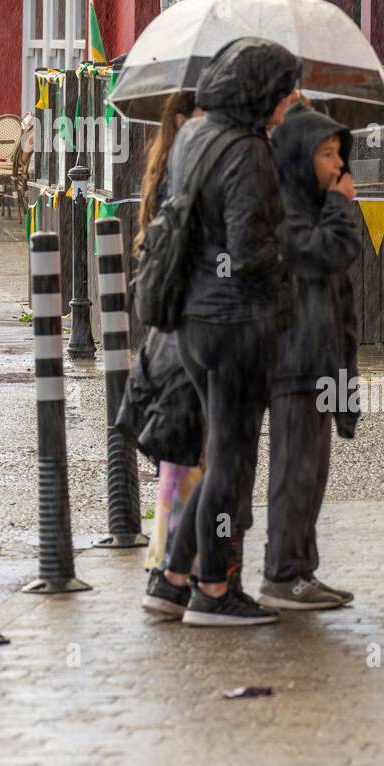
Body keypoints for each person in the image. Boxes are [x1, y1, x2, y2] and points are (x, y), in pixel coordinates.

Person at [141, 38, 301, 628]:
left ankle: (173, 579)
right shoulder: (247, 152)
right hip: (235, 321)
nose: (291, 100)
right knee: (230, 462)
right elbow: (249, 249)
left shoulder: (194, 135)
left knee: (214, 460)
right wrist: (286, 263)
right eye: (285, 90)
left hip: (191, 320)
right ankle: (213, 589)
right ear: (261, 92)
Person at [260, 107, 362, 612]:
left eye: (339, 153)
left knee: (313, 471)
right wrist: (342, 207)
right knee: (294, 469)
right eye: (326, 154)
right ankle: (282, 574)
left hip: (320, 359)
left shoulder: (312, 202)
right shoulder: (286, 207)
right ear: (301, 157)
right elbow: (328, 252)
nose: (337, 165)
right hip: (295, 360)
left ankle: (302, 567)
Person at [131, 90, 206, 607]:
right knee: (184, 450)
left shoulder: (166, 166)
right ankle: (172, 563)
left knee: (181, 451)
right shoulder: (181, 175)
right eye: (200, 115)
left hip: (167, 326)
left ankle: (171, 555)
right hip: (184, 325)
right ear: (182, 119)